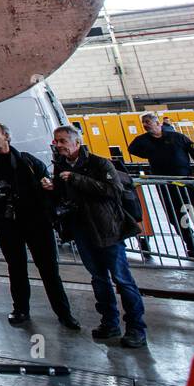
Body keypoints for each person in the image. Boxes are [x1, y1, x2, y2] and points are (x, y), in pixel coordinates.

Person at [47, 125, 147, 348]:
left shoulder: (99, 163)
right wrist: (52, 188)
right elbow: (63, 196)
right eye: (56, 141)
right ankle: (110, 323)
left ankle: (136, 328)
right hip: (82, 232)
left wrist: (75, 179)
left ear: (76, 143)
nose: (59, 145)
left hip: (107, 230)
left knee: (122, 279)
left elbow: (113, 190)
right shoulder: (60, 167)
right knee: (99, 279)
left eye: (63, 141)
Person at [0, 123, 79, 330]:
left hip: (36, 221)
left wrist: (49, 193)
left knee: (49, 269)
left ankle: (64, 313)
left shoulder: (27, 160)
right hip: (8, 223)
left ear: (6, 136)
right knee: (16, 267)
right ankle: (21, 309)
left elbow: (48, 183)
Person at [127, 112, 194, 262]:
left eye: (148, 122)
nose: (146, 125)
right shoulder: (143, 140)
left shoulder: (177, 137)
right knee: (175, 217)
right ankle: (190, 244)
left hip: (185, 183)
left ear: (158, 123)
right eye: (144, 123)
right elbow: (132, 149)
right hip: (166, 185)